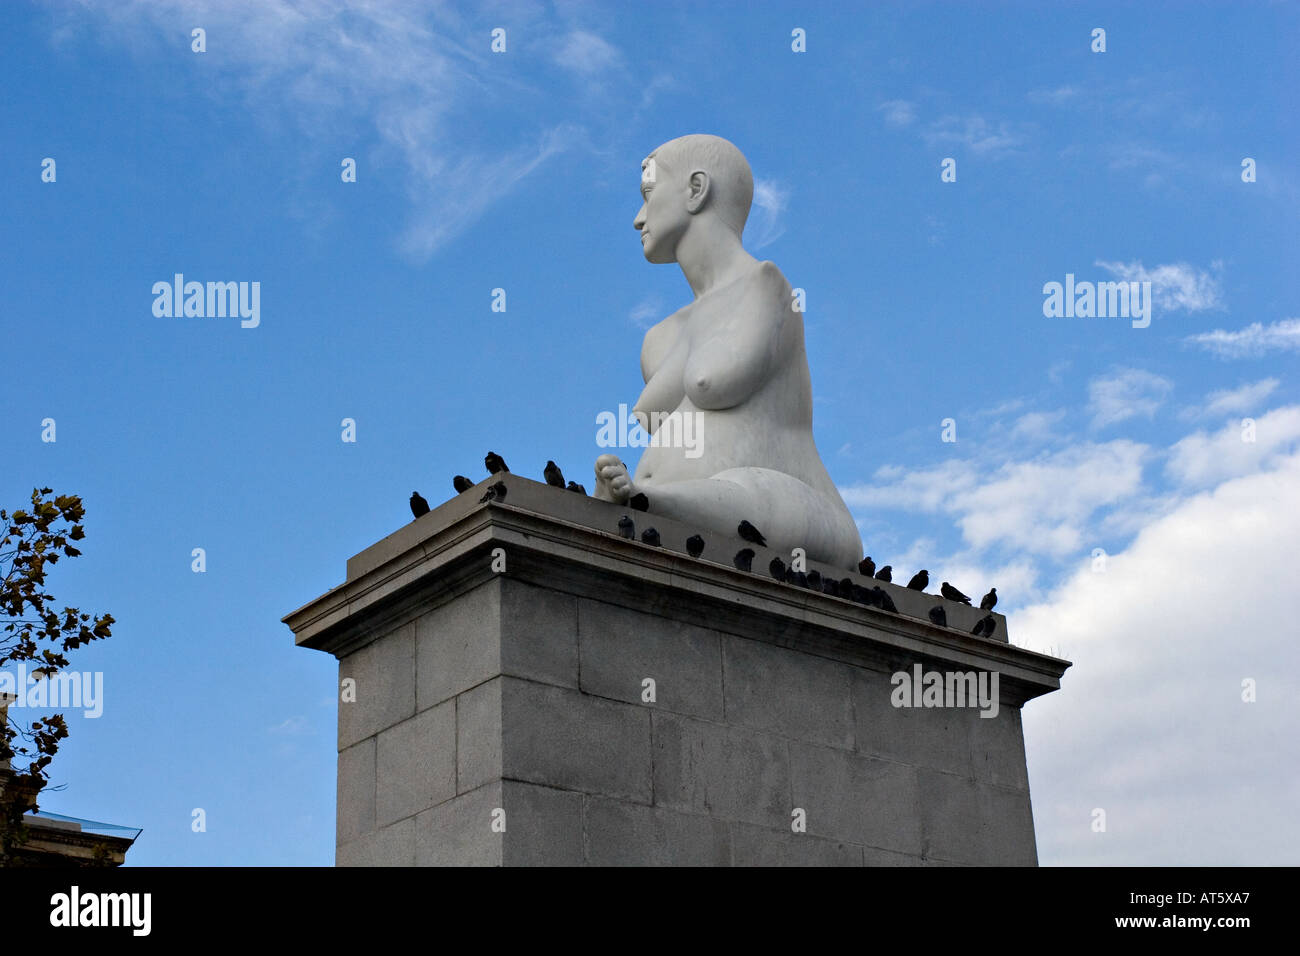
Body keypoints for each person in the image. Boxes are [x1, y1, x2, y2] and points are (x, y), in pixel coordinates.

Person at [594, 134, 862, 570]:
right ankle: (647, 500)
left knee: (752, 491)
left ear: (696, 190)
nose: (638, 219)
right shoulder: (659, 338)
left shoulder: (767, 288)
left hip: (794, 515)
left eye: (648, 195)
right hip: (677, 535)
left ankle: (648, 499)